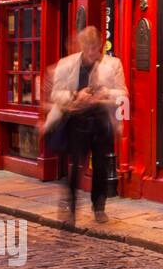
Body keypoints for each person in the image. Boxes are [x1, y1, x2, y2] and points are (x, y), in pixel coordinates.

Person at [45, 27, 127, 224]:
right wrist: (75, 95)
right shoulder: (67, 65)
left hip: (101, 120)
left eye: (95, 47)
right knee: (75, 165)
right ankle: (70, 208)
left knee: (101, 165)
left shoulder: (113, 65)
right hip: (76, 119)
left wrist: (104, 93)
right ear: (81, 46)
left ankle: (99, 207)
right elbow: (56, 94)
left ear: (100, 45)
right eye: (87, 48)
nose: (92, 52)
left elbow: (123, 94)